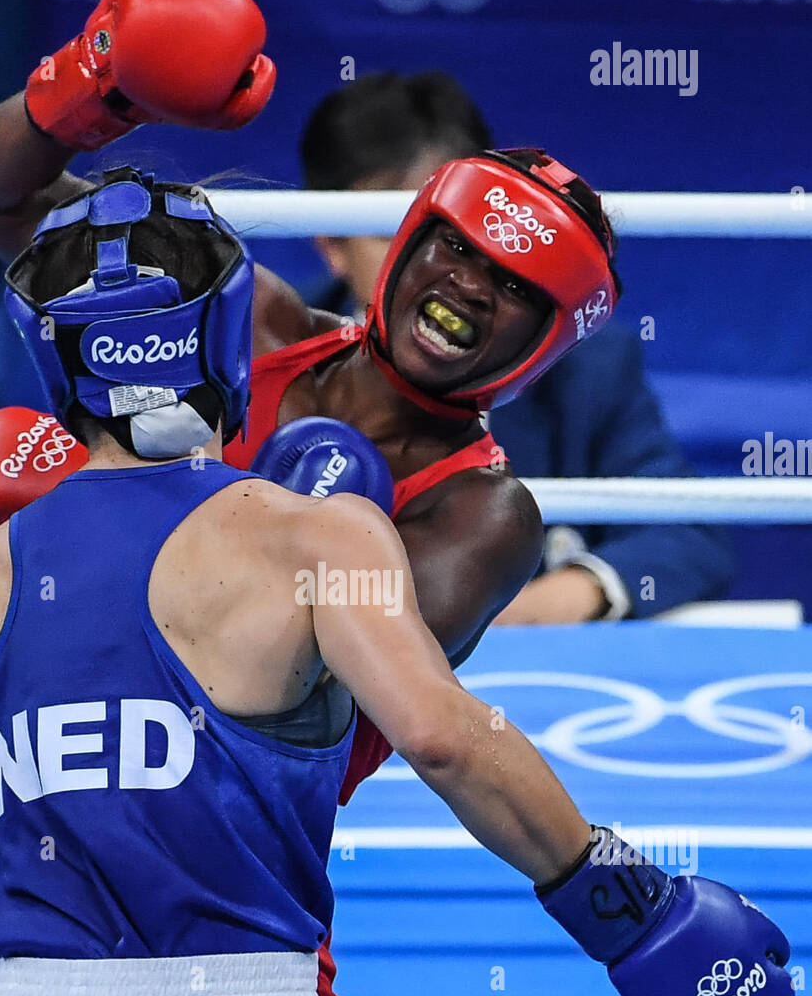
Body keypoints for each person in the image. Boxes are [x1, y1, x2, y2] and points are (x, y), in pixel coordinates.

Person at [0, 0, 779, 996]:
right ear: (408, 236)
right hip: (20, 791)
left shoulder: (481, 510)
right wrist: (99, 86)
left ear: (544, 342)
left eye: (514, 286)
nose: (471, 286)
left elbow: (369, 712)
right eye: (461, 249)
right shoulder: (231, 310)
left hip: (225, 854)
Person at [300, 71, 736, 623]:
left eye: (469, 231)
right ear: (331, 245)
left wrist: (528, 609)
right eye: (397, 229)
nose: (461, 280)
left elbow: (691, 536)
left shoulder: (588, 370)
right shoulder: (275, 347)